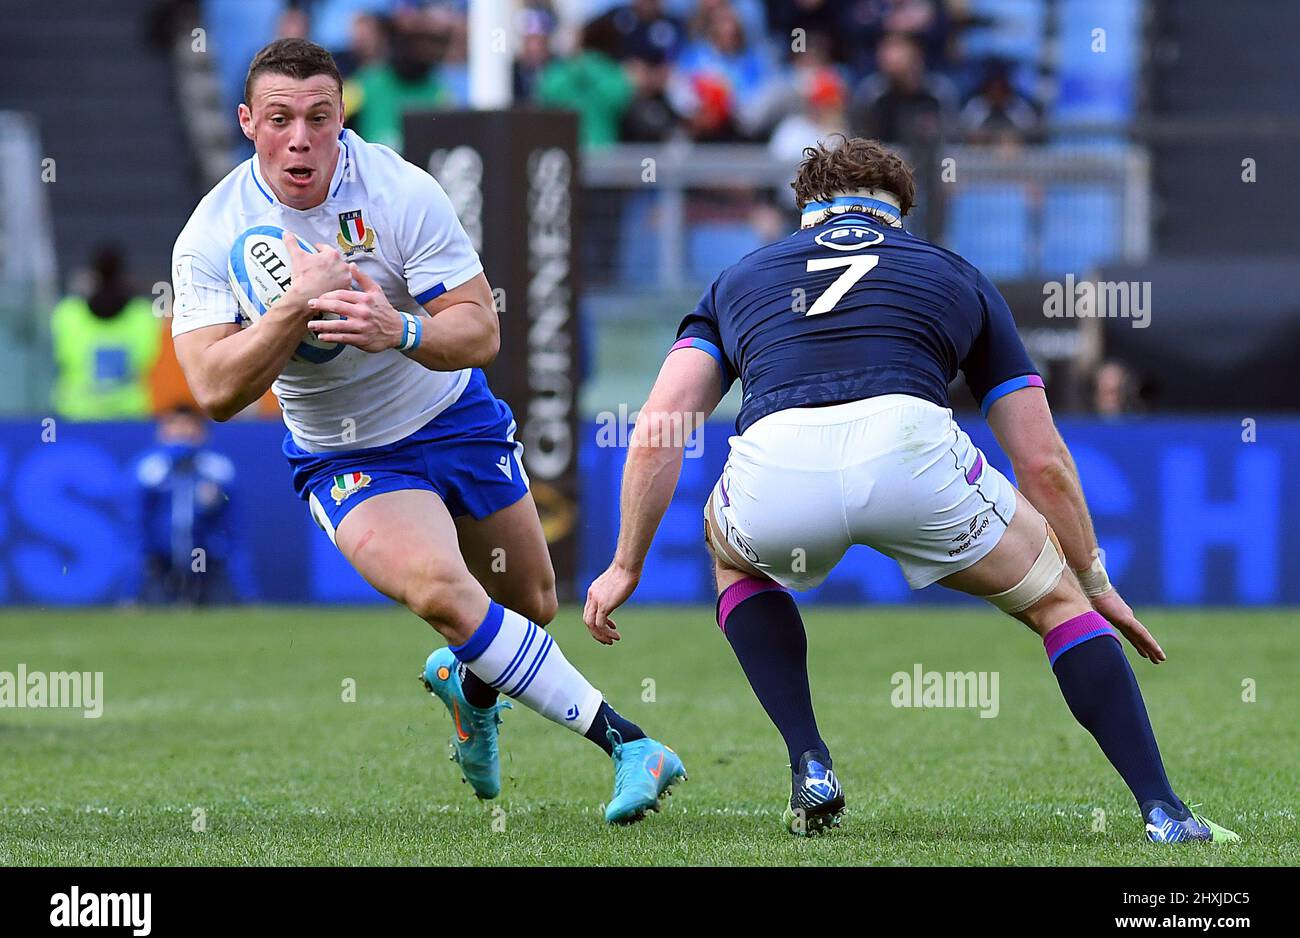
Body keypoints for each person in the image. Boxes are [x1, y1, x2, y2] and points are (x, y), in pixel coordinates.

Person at [584, 135, 1239, 843]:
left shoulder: (737, 280)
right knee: (1057, 604)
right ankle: (1165, 812)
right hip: (912, 451)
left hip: (779, 461)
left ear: (805, 208)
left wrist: (626, 564)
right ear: (900, 211)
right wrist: (1093, 581)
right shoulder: (955, 274)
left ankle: (810, 759)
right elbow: (1043, 459)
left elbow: (657, 429)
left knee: (733, 558)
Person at [170, 38, 683, 823]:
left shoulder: (400, 191)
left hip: (451, 415)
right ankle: (629, 744)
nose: (301, 138)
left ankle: (467, 689)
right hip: (346, 452)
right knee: (446, 593)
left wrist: (398, 328)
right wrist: (292, 307)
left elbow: (479, 331)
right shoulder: (210, 234)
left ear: (343, 117)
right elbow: (212, 389)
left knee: (533, 602)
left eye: (319, 117)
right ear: (247, 122)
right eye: (280, 119)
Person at [135, 406, 252, 605]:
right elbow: (138, 519)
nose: (182, 433)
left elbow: (232, 524)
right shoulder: (150, 468)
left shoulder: (217, 468)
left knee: (216, 604)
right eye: (175, 426)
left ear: (202, 432)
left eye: (188, 426)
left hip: (205, 558)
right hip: (160, 561)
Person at [51, 245, 161, 421]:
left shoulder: (67, 314)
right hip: (127, 415)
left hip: (78, 414)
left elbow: (60, 358)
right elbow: (146, 360)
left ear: (90, 277)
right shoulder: (143, 315)